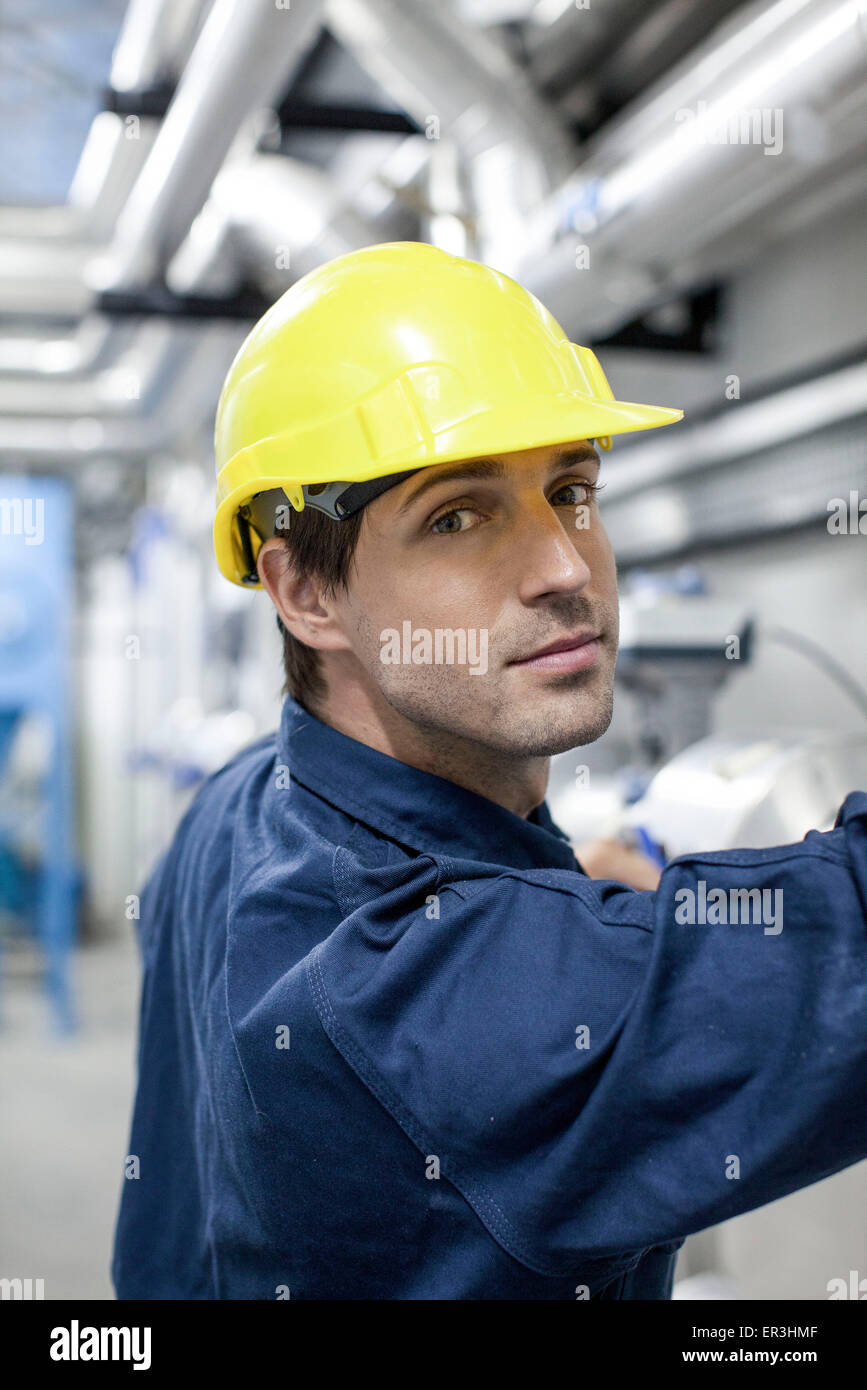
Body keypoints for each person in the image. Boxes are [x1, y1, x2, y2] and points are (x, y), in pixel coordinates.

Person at [112, 242, 867, 1300]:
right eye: (457, 516)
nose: (566, 566)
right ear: (304, 592)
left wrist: (567, 901)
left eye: (572, 489)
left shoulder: (238, 804)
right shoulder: (428, 987)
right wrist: (570, 939)